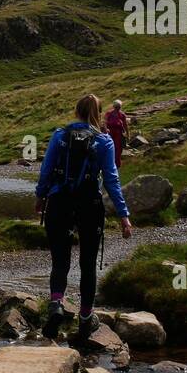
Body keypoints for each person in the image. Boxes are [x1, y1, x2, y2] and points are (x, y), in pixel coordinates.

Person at [34, 94, 132, 341]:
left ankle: (56, 305)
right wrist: (123, 215)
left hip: (59, 202)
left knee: (60, 261)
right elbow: (111, 180)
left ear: (76, 111)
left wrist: (41, 196)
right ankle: (86, 320)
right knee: (87, 265)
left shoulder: (60, 136)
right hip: (89, 205)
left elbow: (46, 169)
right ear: (99, 115)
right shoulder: (104, 141)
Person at [104, 99, 128, 168]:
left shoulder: (122, 115)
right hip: (110, 134)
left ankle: (117, 165)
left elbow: (125, 125)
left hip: (119, 134)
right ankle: (109, 163)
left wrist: (128, 134)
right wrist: (106, 129)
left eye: (119, 107)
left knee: (118, 149)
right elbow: (105, 122)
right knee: (110, 148)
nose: (118, 108)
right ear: (114, 106)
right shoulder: (109, 113)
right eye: (117, 107)